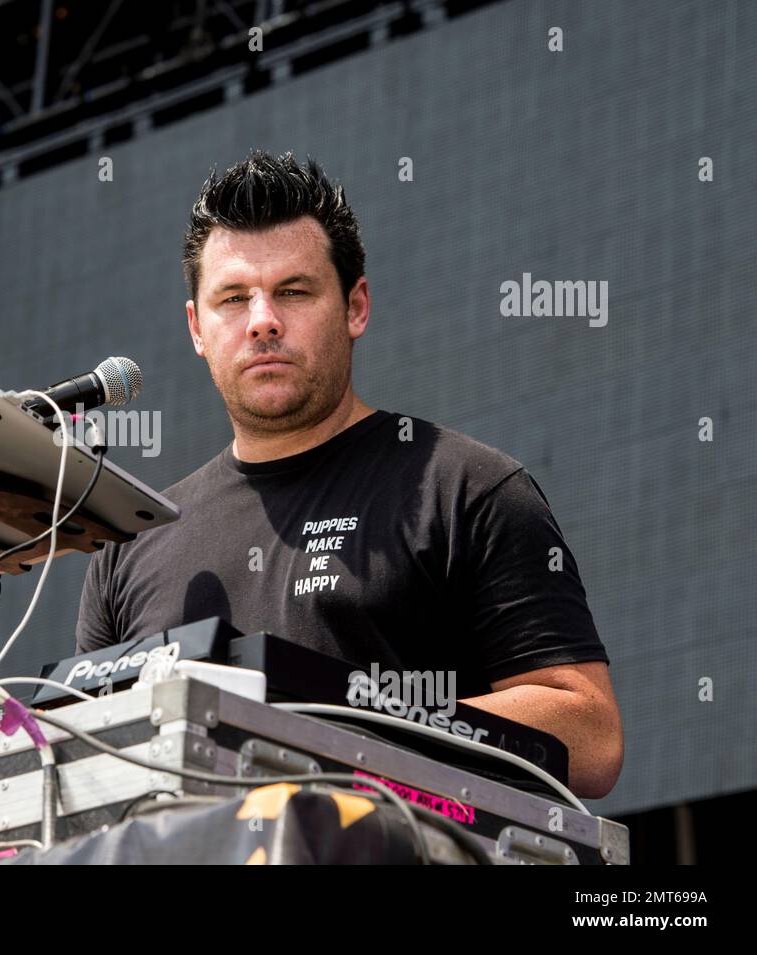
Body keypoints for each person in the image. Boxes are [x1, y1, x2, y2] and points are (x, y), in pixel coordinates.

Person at [74, 149, 623, 798]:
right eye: (232, 298)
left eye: (294, 291)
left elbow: (592, 738)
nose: (263, 320)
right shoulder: (131, 543)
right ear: (197, 327)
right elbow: (85, 770)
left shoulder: (465, 487)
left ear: (356, 306)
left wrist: (342, 727)